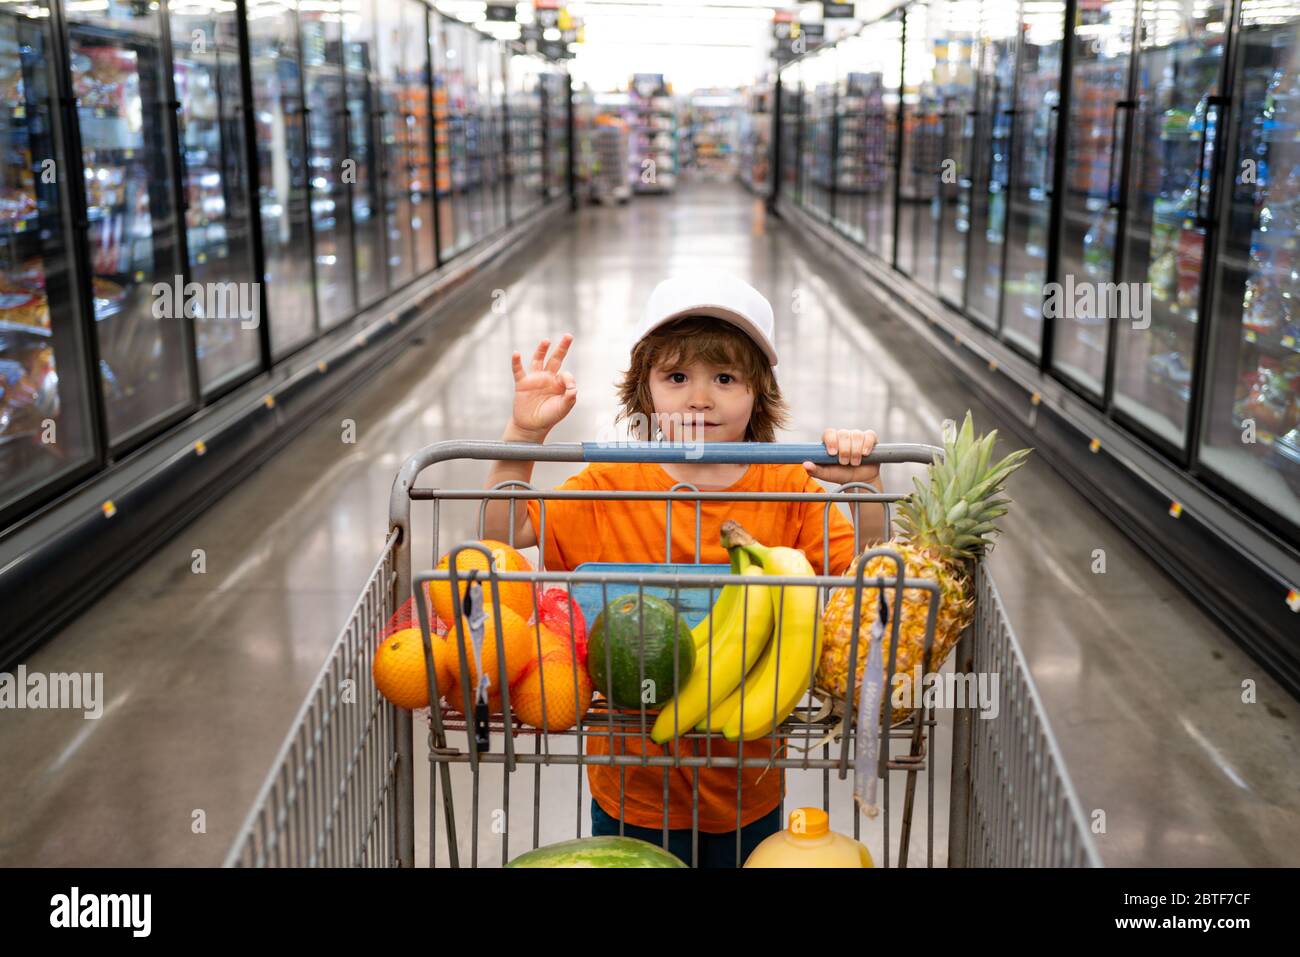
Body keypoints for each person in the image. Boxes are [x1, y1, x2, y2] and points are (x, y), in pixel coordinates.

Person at [483, 272, 885, 867]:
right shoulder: (608, 484)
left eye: (725, 378)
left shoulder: (790, 488)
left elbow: (871, 581)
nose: (700, 398)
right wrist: (524, 433)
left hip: (747, 786)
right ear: (646, 394)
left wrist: (867, 490)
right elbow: (499, 537)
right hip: (629, 787)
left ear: (759, 394)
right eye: (676, 378)